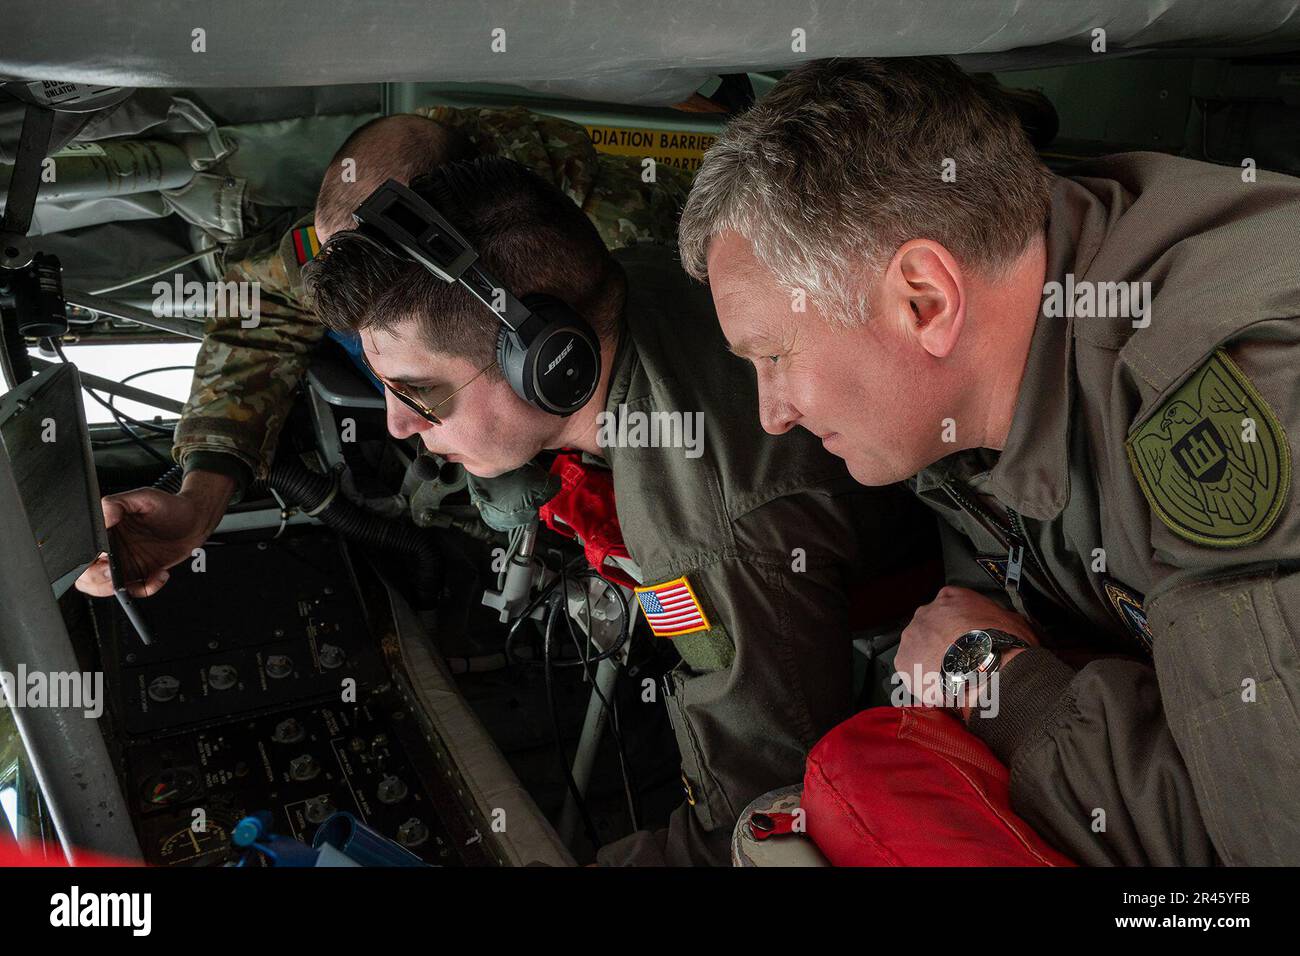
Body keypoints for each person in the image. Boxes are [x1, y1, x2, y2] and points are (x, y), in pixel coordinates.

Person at [679, 56, 1300, 865]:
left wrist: (993, 679)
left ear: (924, 299)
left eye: (775, 355)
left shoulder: (1216, 391)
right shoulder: (965, 391)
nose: (772, 411)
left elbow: (1258, 839)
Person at [304, 155, 927, 864]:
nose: (398, 425)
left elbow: (760, 823)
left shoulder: (709, 535)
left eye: (420, 393)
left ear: (549, 362)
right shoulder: (631, 279)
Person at [74, 106, 691, 599]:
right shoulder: (357, 238)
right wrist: (199, 499)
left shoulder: (628, 232)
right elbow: (255, 307)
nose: (401, 427)